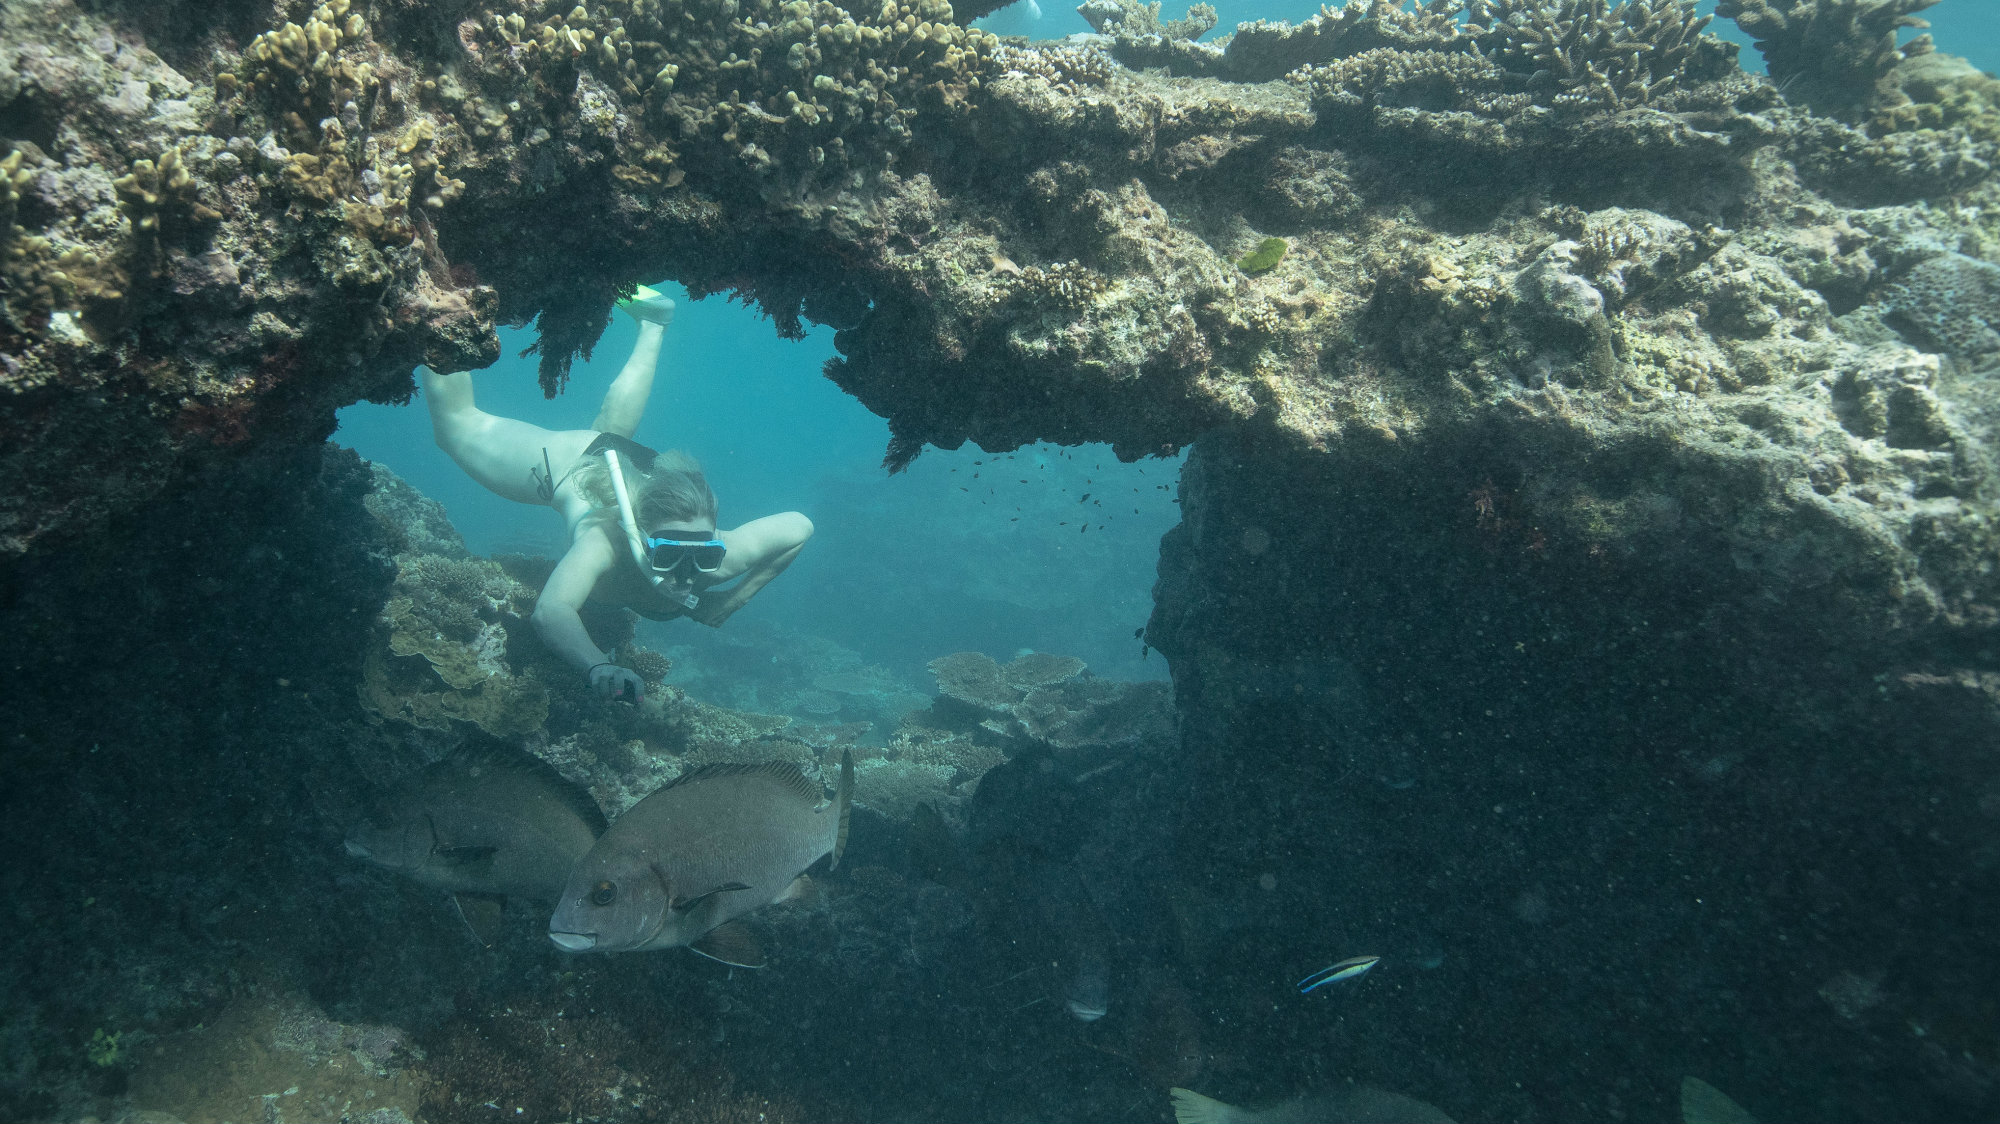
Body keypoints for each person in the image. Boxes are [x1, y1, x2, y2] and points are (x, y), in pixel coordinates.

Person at [419, 287, 813, 702]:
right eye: (667, 554)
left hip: (636, 461)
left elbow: (800, 527)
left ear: (715, 543)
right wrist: (597, 664)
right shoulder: (603, 543)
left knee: (612, 431)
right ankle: (438, 308)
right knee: (455, 427)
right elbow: (552, 611)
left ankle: (654, 322)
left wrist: (732, 600)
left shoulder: (723, 559)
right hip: (577, 462)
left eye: (704, 554)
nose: (686, 572)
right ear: (636, 533)